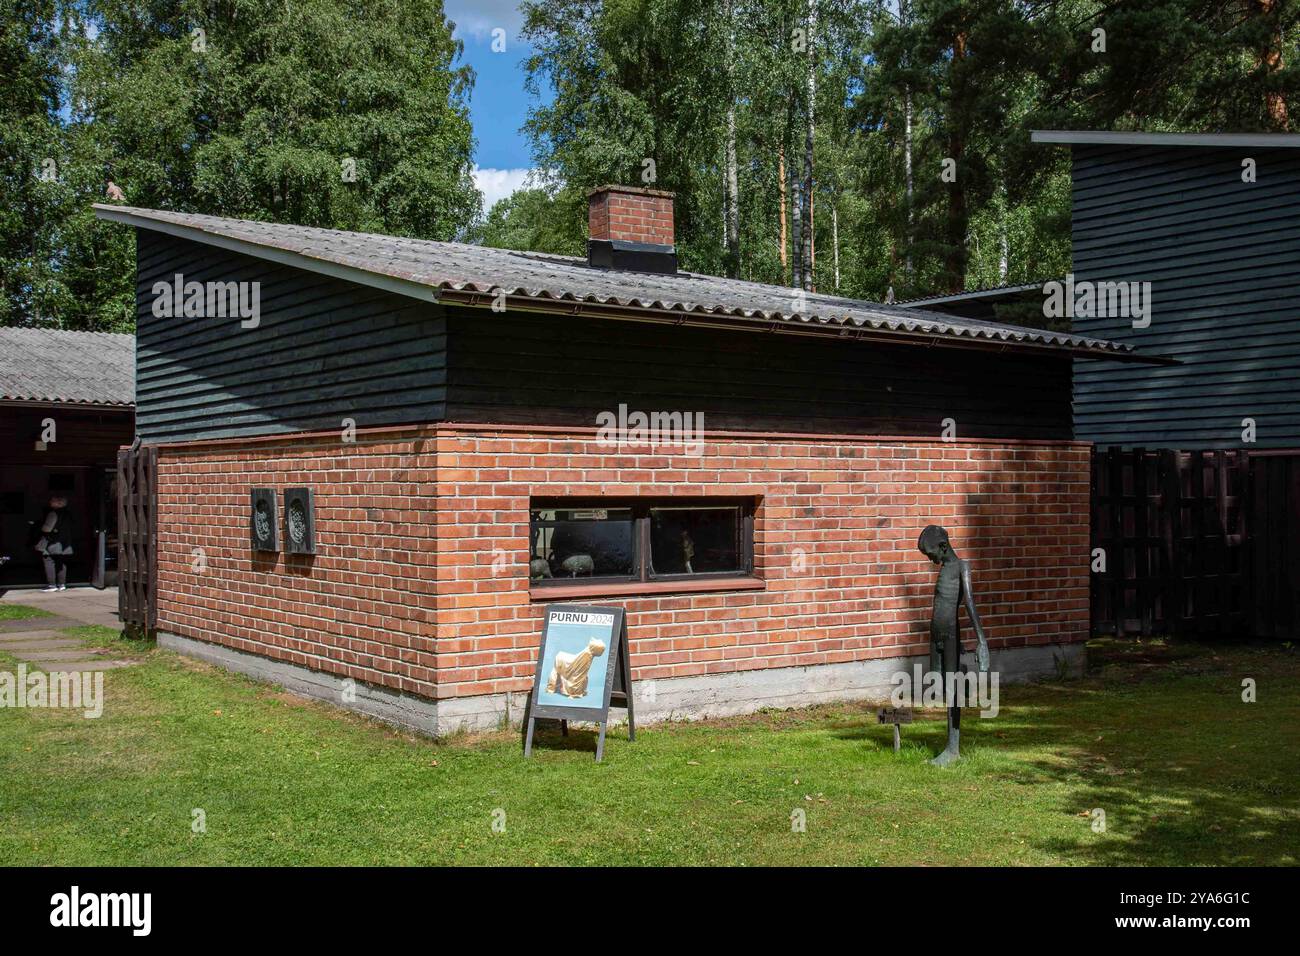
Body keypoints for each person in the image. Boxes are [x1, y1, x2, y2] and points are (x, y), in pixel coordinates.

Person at [917, 524, 989, 766]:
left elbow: (969, 603)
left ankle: (952, 749)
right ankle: (950, 745)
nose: (931, 559)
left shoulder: (961, 567)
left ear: (943, 547)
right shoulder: (945, 567)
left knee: (953, 689)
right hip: (936, 633)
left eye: (931, 554)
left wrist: (981, 642)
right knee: (938, 686)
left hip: (950, 635)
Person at [35, 495, 74, 592]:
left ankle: (51, 585)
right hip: (65, 542)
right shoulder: (68, 514)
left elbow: (47, 528)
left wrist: (40, 528)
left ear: (59, 503)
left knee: (48, 561)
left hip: (53, 542)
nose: (50, 502)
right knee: (62, 563)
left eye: (53, 501)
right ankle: (62, 584)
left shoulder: (53, 513)